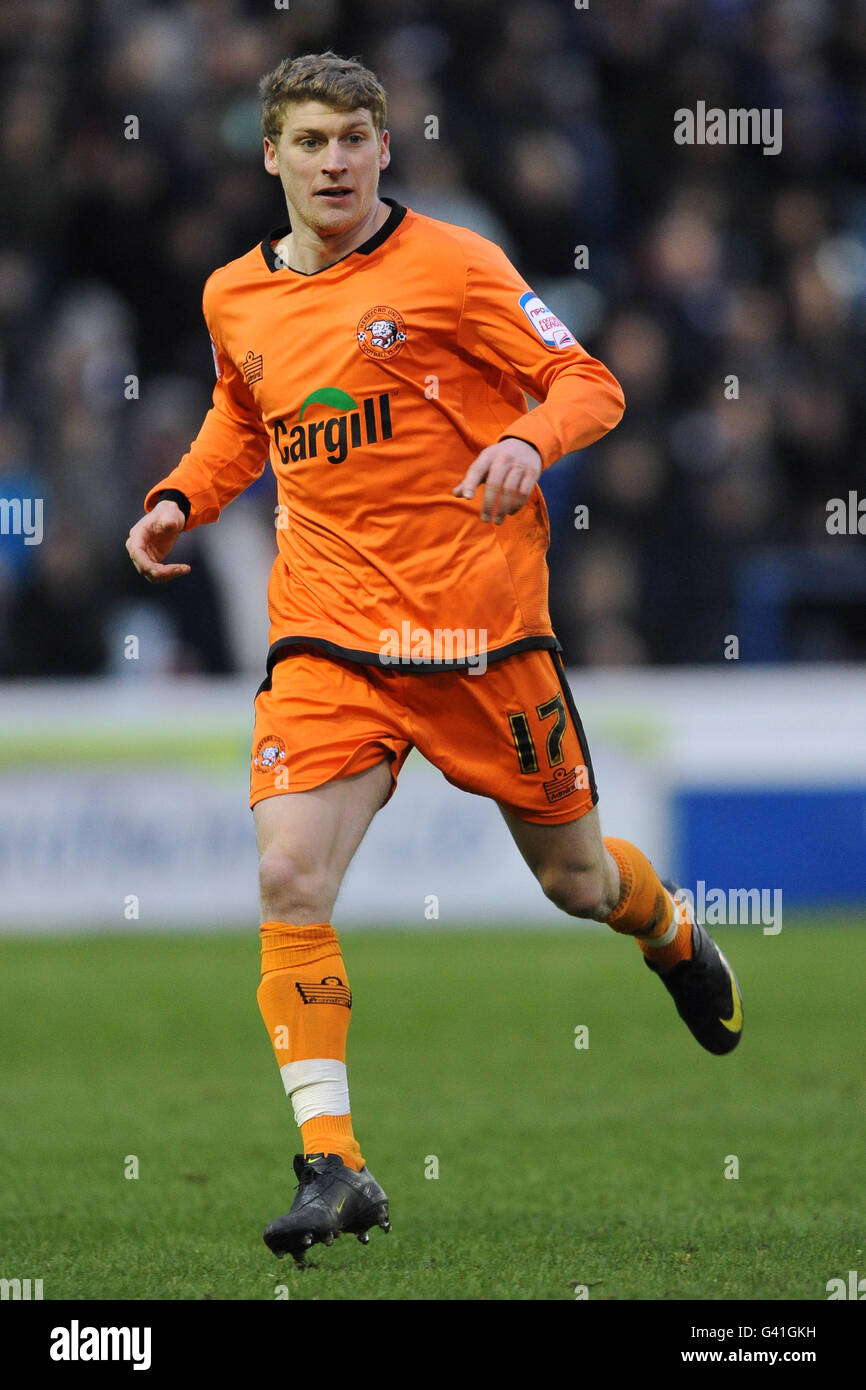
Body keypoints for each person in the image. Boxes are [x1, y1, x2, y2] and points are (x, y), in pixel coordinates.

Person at [125, 51, 743, 1267]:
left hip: (477, 636)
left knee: (571, 880)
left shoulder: (456, 266)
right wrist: (178, 498)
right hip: (326, 637)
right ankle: (331, 1162)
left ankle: (664, 924)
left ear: (383, 149)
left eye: (354, 139)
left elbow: (587, 381)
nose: (335, 162)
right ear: (272, 156)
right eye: (309, 142)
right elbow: (243, 420)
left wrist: (524, 437)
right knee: (289, 876)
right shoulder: (231, 298)